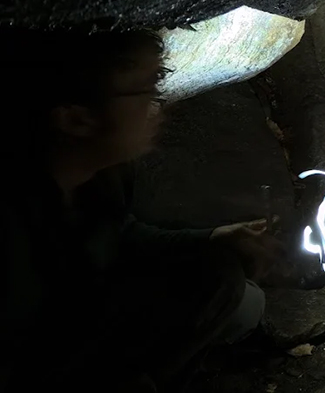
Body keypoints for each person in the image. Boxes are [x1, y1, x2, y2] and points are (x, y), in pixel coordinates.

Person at [0, 26, 282, 392]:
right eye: (146, 89)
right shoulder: (13, 235)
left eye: (159, 80)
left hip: (86, 315)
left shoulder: (100, 177)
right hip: (41, 358)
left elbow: (122, 235)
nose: (158, 106)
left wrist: (213, 237)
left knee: (237, 293)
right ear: (75, 118)